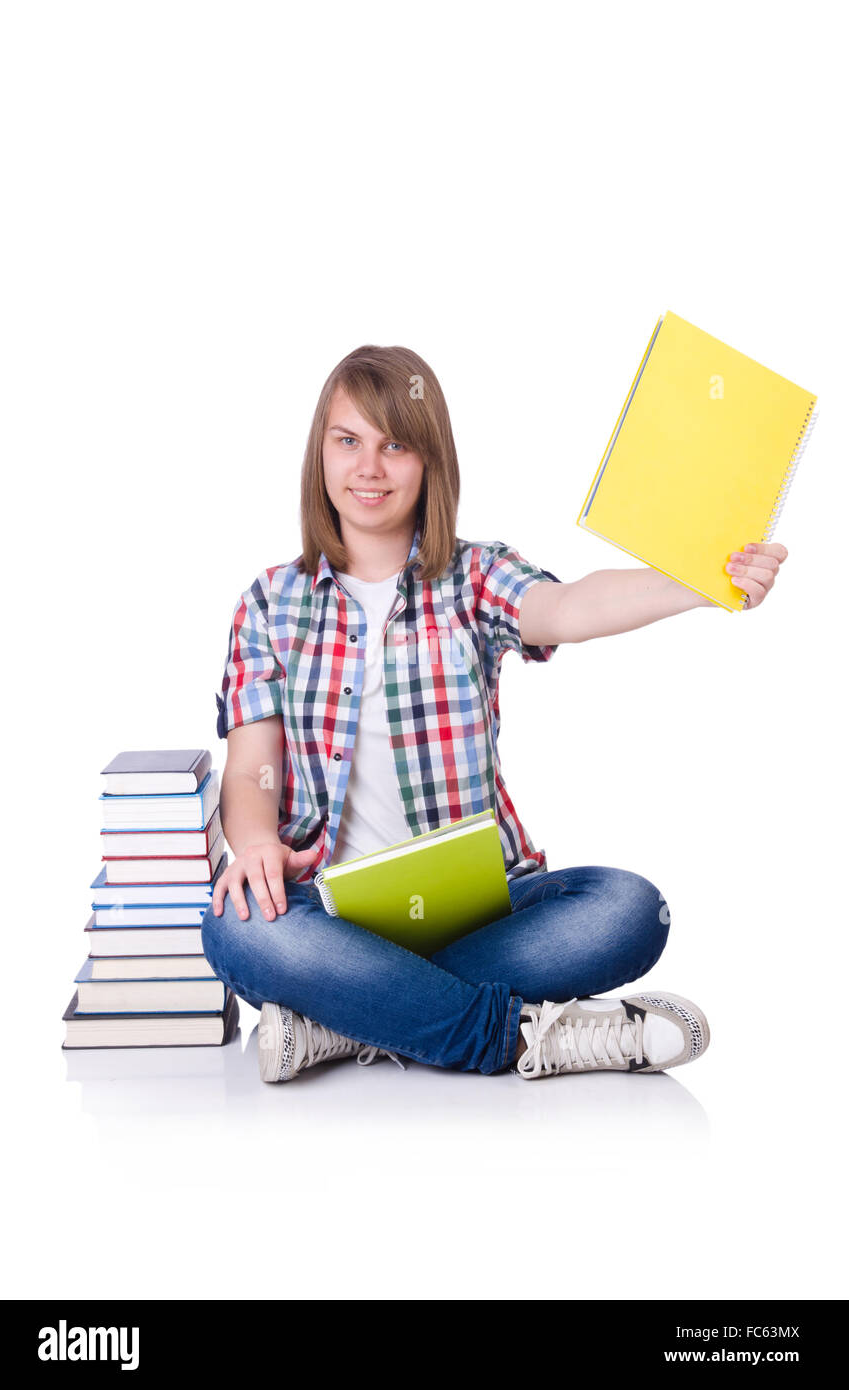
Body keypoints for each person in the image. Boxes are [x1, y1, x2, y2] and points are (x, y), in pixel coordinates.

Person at [201, 344, 787, 1083]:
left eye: (396, 445)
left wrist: (700, 584)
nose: (369, 468)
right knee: (236, 929)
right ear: (320, 454)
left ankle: (345, 1021)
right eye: (347, 441)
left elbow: (570, 606)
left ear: (429, 461)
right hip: (332, 916)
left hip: (487, 909)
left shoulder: (473, 576)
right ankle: (517, 1038)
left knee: (626, 908)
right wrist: (252, 840)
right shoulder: (269, 602)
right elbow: (252, 762)